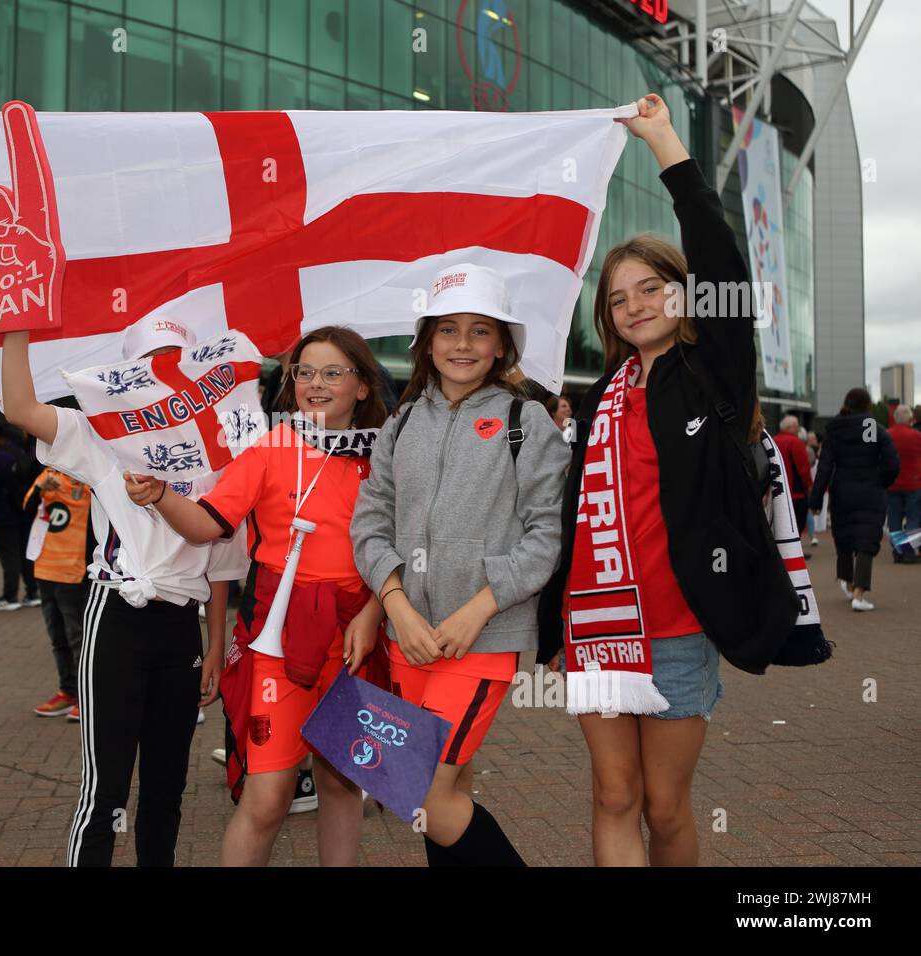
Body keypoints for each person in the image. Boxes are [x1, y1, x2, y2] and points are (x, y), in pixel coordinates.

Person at [537, 94, 804, 867]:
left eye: (649, 288)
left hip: (677, 626)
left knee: (665, 804)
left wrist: (665, 146)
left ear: (683, 292)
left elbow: (721, 255)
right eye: (617, 299)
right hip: (595, 625)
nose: (632, 306)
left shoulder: (711, 370)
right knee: (612, 796)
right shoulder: (600, 395)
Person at [126, 326, 387, 866]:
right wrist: (160, 496)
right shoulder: (270, 448)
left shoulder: (386, 454)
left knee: (342, 785)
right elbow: (206, 525)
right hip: (278, 639)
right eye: (305, 373)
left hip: (357, 637)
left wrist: (373, 609)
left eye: (334, 372)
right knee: (268, 796)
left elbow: (402, 546)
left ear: (362, 386)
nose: (316, 384)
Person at [0, 316, 247, 867]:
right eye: (148, 367)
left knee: (167, 789)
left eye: (174, 365)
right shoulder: (100, 437)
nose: (162, 379)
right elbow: (18, 409)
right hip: (116, 619)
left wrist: (213, 646)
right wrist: (14, 323)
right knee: (105, 789)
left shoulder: (219, 445)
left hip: (182, 630)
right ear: (127, 377)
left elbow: (224, 564)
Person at [351, 265, 567, 866]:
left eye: (479, 331)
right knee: (449, 789)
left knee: (421, 791)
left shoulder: (527, 424)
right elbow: (371, 523)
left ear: (502, 344)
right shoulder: (401, 423)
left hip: (481, 637)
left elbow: (546, 535)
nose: (463, 345)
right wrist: (394, 605)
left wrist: (480, 608)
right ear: (427, 341)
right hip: (408, 639)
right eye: (448, 330)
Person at [809, 388, 900, 609]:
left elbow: (824, 468)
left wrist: (816, 500)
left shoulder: (835, 430)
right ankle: (859, 594)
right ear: (868, 405)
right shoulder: (875, 429)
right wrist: (881, 481)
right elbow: (892, 463)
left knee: (845, 539)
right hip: (870, 493)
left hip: (842, 492)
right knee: (866, 541)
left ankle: (848, 584)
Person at [26, 466, 93, 719]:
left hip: (74, 571)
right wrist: (41, 490)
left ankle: (86, 695)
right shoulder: (48, 475)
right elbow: (25, 509)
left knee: (78, 637)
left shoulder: (90, 478)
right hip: (45, 568)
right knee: (57, 637)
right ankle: (68, 691)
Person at [0, 421, 39, 610]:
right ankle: (32, 593)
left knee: (9, 555)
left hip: (4, 513)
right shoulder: (26, 453)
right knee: (26, 554)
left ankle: (10, 596)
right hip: (26, 511)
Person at [886, 405, 921, 562]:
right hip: (913, 482)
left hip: (892, 483)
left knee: (894, 519)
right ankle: (908, 551)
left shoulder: (887, 435)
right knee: (913, 518)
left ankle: (898, 551)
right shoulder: (916, 436)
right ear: (909, 419)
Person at [773, 415, 813, 551]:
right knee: (797, 525)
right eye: (796, 427)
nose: (798, 430)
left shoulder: (773, 441)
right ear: (791, 427)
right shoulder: (795, 443)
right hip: (796, 494)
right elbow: (803, 469)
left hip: (776, 492)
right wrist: (809, 485)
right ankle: (794, 553)